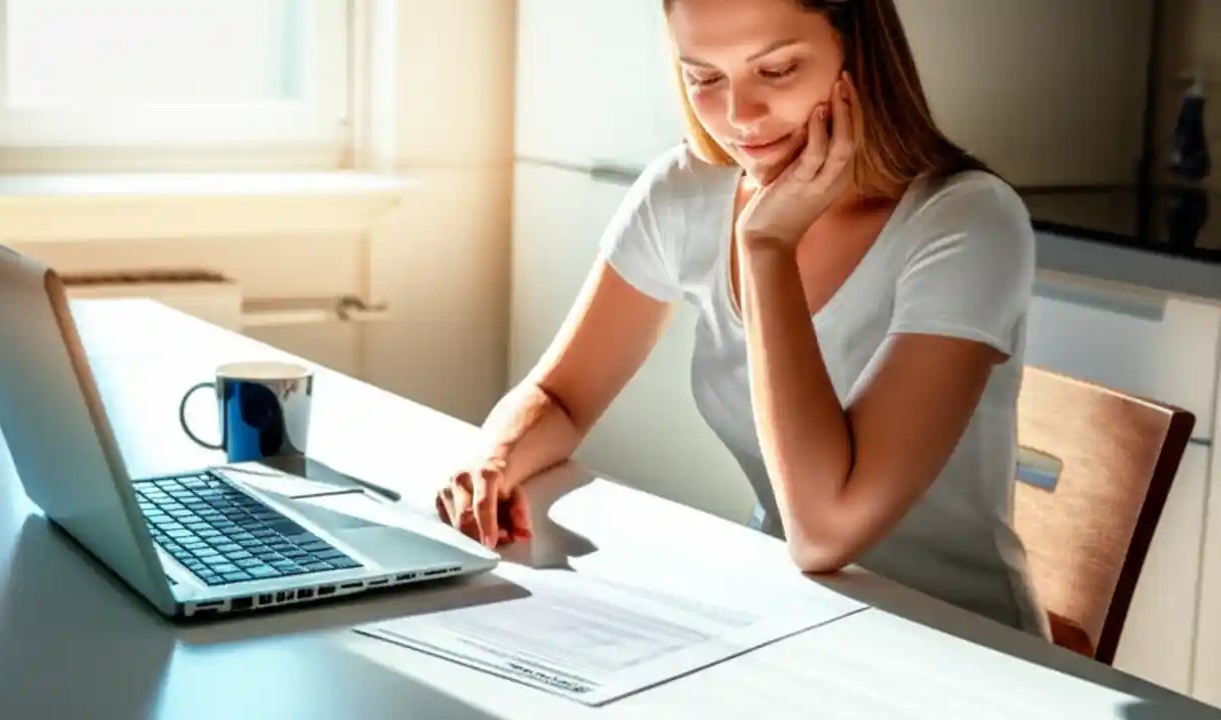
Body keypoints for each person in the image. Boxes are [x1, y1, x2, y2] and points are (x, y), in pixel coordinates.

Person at [436, 0, 1048, 637]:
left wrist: (767, 247)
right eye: (704, 77)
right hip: (787, 616)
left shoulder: (967, 221)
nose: (740, 116)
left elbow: (825, 532)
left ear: (857, 52)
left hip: (964, 644)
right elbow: (562, 395)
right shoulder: (687, 191)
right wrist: (493, 460)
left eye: (777, 70)